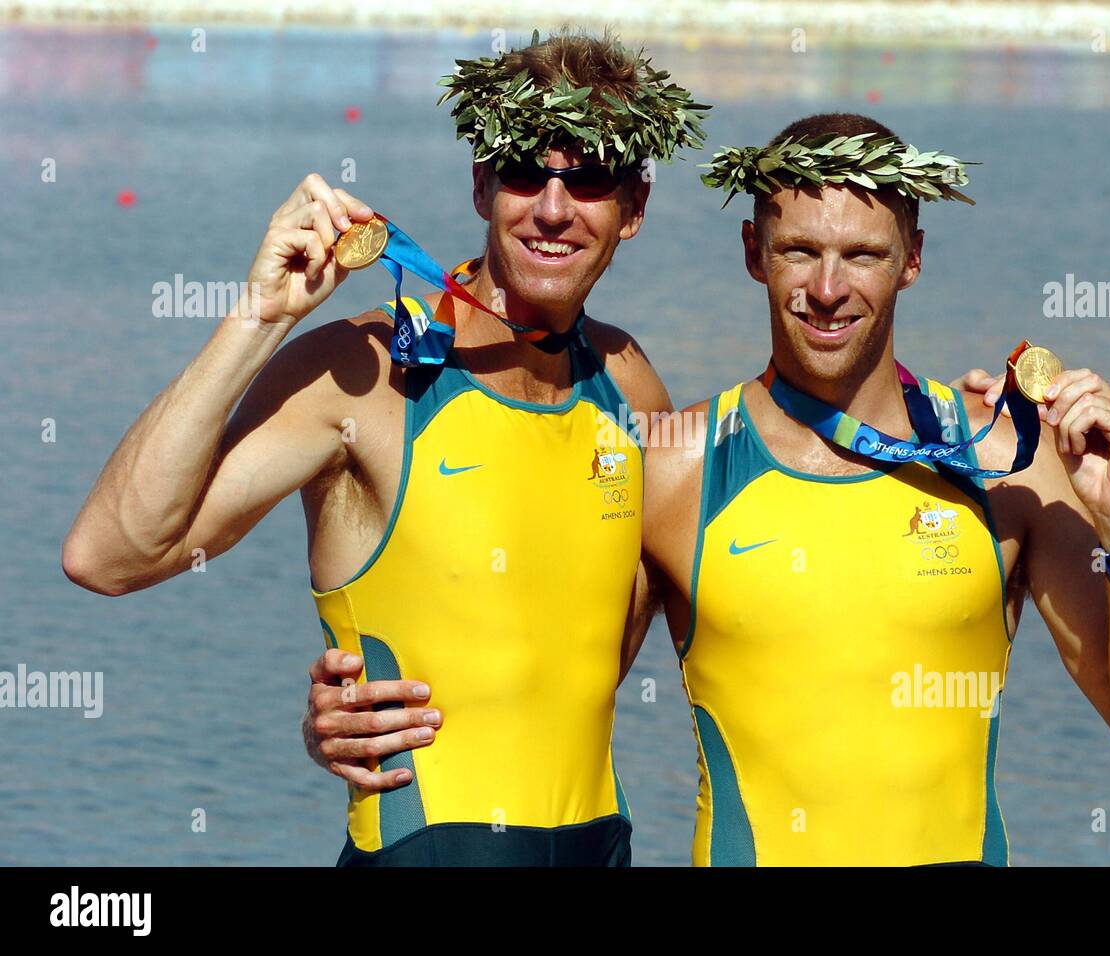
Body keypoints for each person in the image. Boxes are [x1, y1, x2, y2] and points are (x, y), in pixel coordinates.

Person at [61, 31, 709, 866]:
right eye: (522, 169)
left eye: (588, 178)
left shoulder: (630, 386)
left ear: (633, 209)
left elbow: (613, 632)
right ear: (481, 184)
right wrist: (257, 321)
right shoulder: (358, 376)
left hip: (601, 846)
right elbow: (107, 557)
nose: (553, 208)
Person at [632, 112, 1110, 865]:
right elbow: (555, 697)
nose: (827, 289)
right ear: (753, 253)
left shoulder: (1003, 461)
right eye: (800, 251)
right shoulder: (677, 469)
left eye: (862, 254)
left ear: (912, 260)